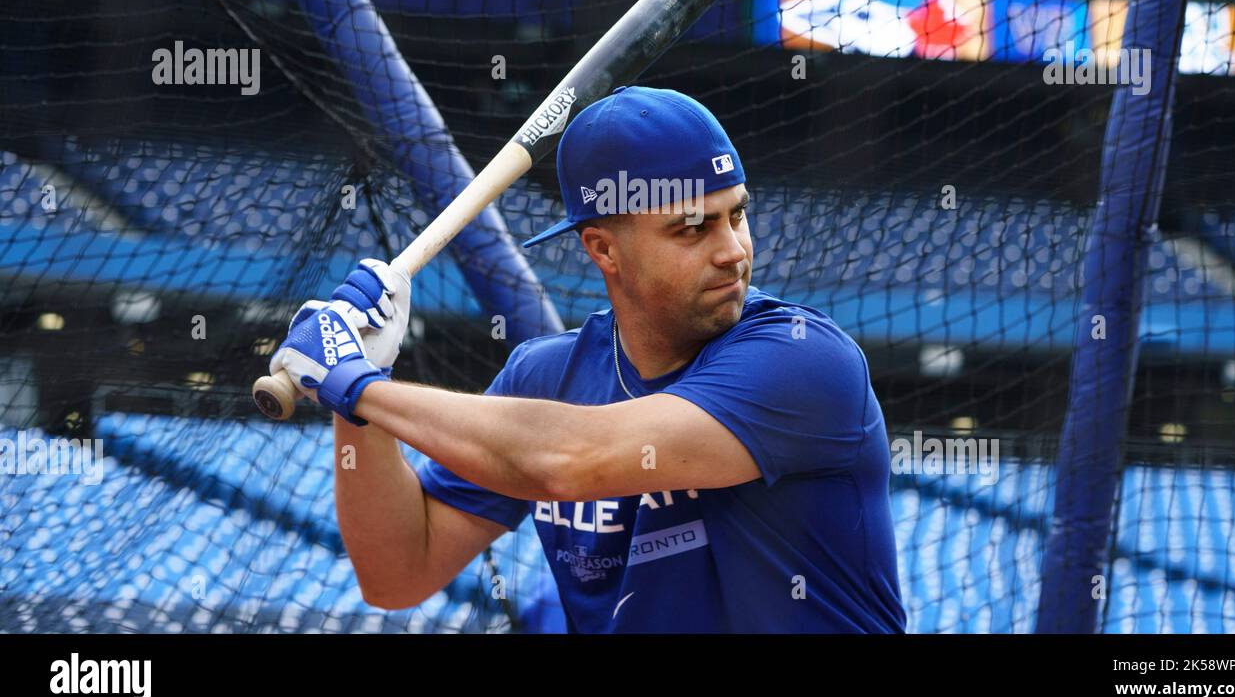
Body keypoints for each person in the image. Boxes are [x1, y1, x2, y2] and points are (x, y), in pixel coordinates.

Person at [270, 85, 906, 632]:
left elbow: (570, 459)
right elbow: (396, 574)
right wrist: (358, 402)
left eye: (736, 215)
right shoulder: (545, 377)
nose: (733, 250)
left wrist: (353, 384)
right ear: (603, 249)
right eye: (692, 228)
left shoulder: (802, 360)